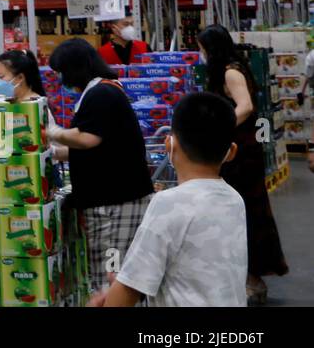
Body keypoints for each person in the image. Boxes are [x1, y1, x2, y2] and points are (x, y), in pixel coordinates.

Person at [89, 92, 247, 307]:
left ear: (169, 145)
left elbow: (128, 289)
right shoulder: (235, 199)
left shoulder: (167, 203)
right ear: (231, 152)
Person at [44, 38, 153, 291]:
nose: (61, 79)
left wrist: (51, 132)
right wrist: (53, 153)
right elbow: (98, 147)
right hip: (110, 201)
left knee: (113, 276)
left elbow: (88, 139)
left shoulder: (102, 93)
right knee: (109, 273)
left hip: (116, 204)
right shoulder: (100, 92)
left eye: (61, 72)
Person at [196, 24, 288, 303]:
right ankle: (250, 279)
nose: (199, 54)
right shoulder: (235, 66)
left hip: (241, 153)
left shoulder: (230, 71)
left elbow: (245, 106)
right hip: (240, 150)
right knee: (246, 212)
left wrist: (220, 129)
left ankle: (252, 279)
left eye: (201, 49)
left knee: (243, 213)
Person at [0, 49, 67, 159]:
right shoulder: (7, 102)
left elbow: (49, 143)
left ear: (20, 78)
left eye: (1, 77)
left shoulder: (36, 105)